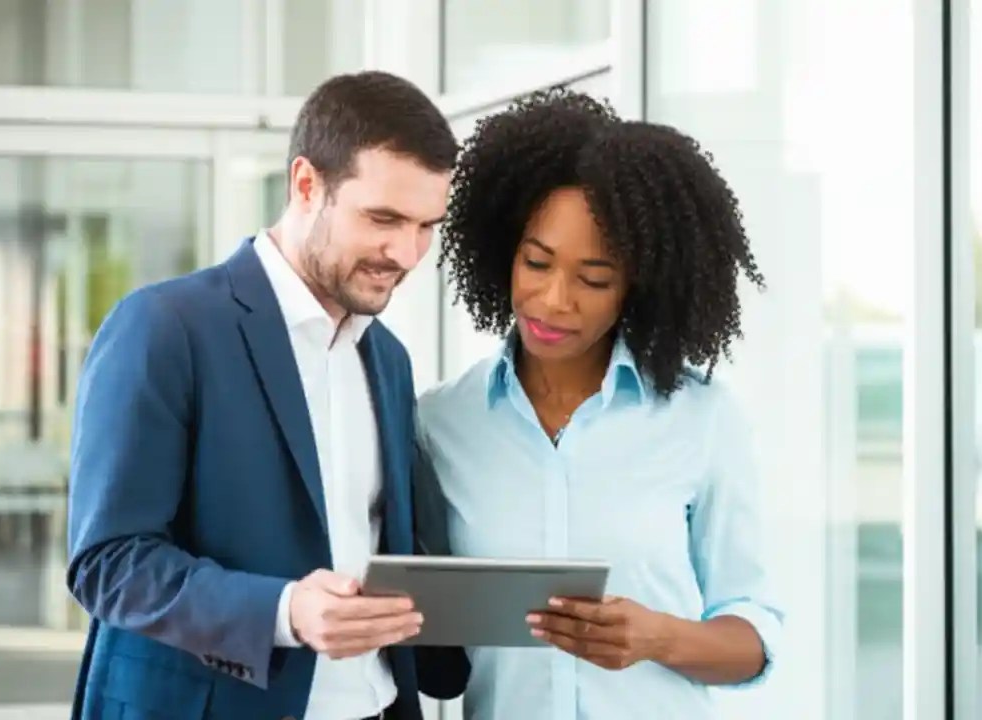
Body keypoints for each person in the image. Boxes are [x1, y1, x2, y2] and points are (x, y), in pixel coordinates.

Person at [66, 71, 469, 720]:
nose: (407, 252)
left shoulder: (387, 357)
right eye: (383, 218)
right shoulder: (167, 328)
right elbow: (109, 562)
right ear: (307, 185)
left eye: (427, 225)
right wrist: (286, 611)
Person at [414, 88, 783, 719]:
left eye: (594, 279)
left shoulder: (702, 419)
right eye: (536, 262)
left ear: (637, 288)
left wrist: (659, 637)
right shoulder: (439, 424)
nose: (555, 300)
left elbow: (753, 638)